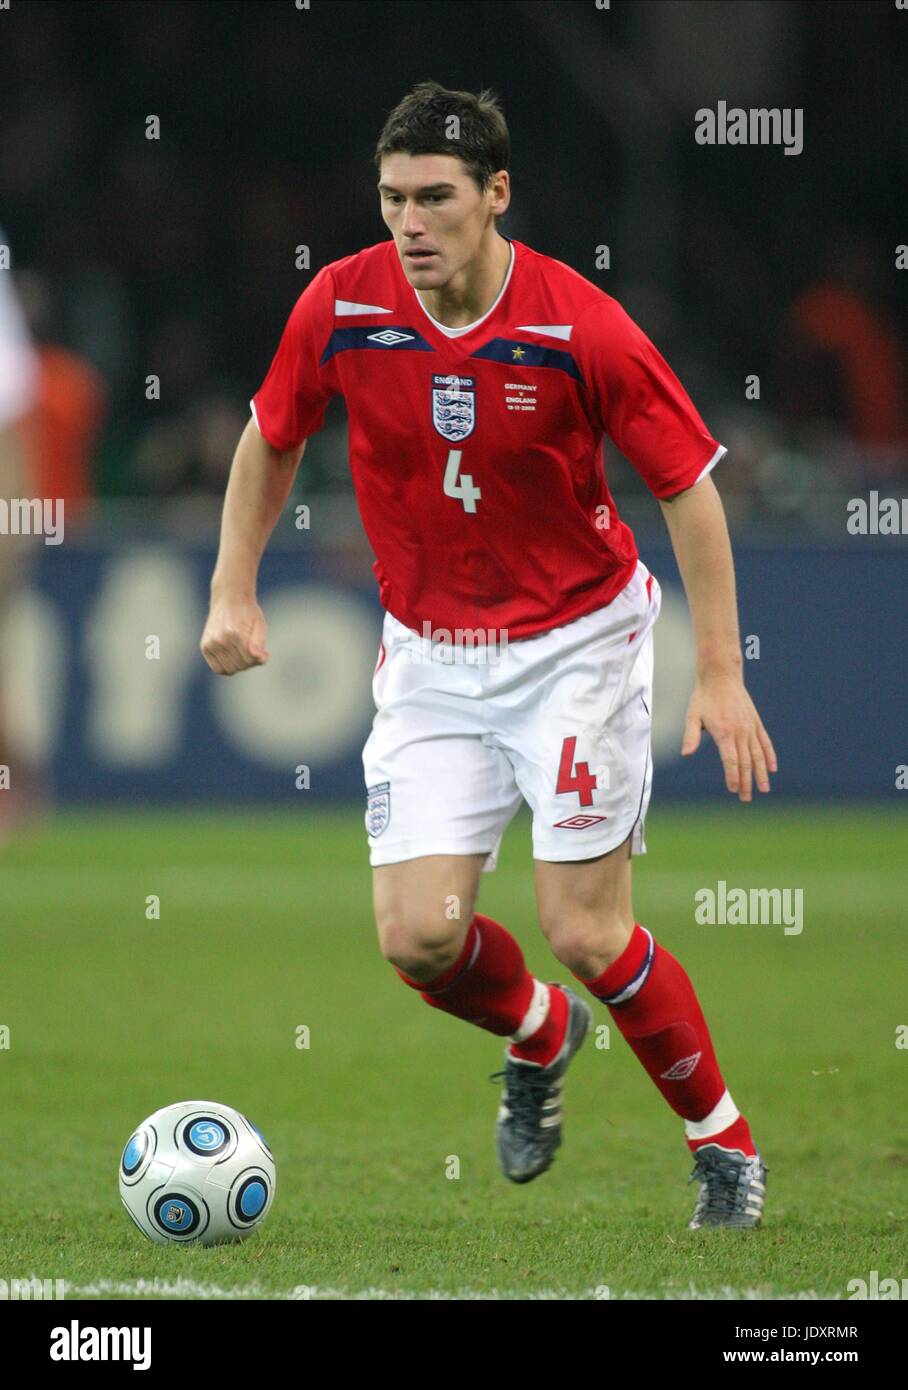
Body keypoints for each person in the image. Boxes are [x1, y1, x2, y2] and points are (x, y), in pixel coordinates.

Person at [201, 82, 777, 1228]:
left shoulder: (579, 323)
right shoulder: (342, 304)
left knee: (582, 928)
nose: (408, 224)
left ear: (495, 194)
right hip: (429, 655)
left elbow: (688, 489)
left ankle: (722, 1143)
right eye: (391, 198)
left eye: (435, 197)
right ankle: (538, 1033)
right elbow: (271, 435)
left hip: (576, 643)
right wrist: (231, 587)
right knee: (419, 937)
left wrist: (717, 666)